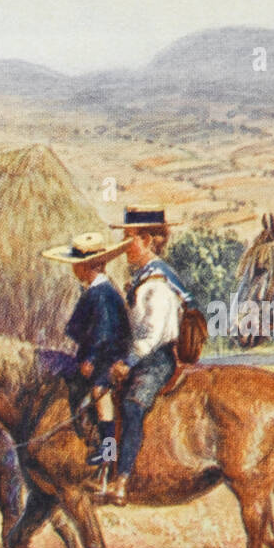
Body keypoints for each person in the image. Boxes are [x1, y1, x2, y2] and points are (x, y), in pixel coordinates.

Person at [93, 206, 193, 506]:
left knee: (133, 405)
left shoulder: (158, 283)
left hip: (155, 359)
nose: (124, 247)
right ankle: (102, 467)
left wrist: (129, 363)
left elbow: (150, 335)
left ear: (147, 240)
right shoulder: (141, 278)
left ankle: (122, 479)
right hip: (136, 354)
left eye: (129, 239)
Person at [40, 231, 132, 490]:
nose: (74, 270)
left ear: (88, 266)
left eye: (77, 265)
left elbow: (103, 331)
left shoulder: (102, 292)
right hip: (99, 352)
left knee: (100, 392)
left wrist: (91, 358)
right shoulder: (94, 290)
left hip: (108, 356)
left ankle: (109, 451)